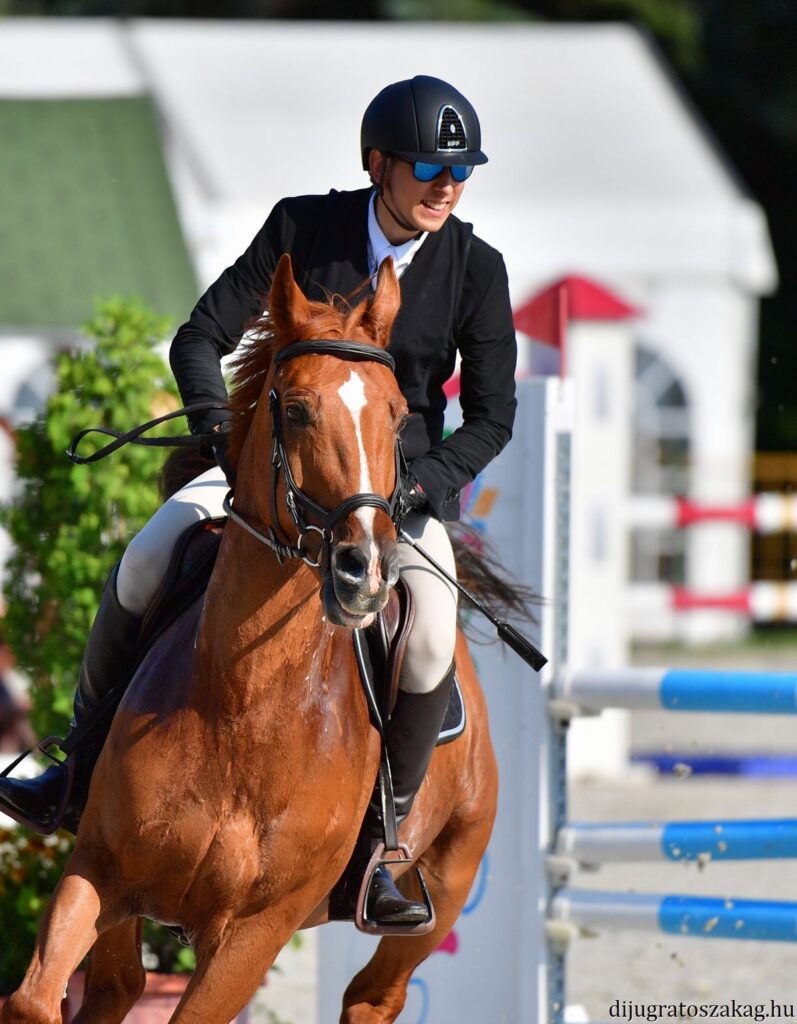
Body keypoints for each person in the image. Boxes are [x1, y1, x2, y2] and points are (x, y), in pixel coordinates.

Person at [0, 75, 517, 927]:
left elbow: (491, 416)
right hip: (271, 474)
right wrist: (217, 427)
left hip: (390, 492)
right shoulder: (300, 227)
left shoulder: (474, 269)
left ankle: (384, 849)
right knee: (146, 559)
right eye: (428, 165)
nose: (445, 185)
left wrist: (409, 490)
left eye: (460, 170)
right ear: (377, 163)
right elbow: (200, 336)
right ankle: (77, 765)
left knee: (426, 634)